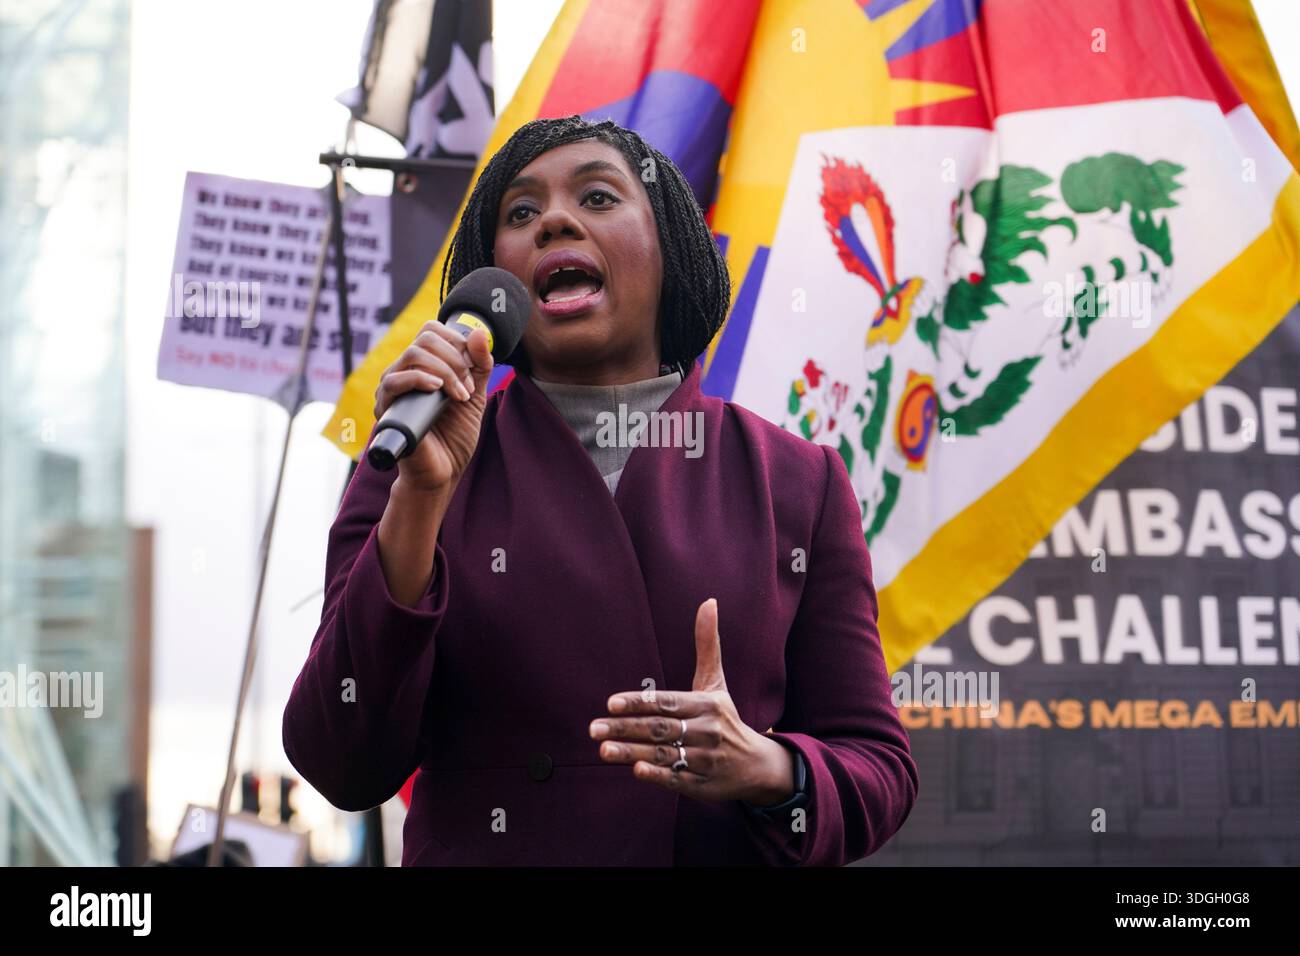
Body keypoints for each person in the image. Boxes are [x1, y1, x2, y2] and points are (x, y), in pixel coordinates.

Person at [282, 115, 918, 866]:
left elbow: (879, 766)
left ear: (667, 250)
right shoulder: (407, 460)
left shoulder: (796, 480)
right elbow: (339, 759)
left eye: (598, 197)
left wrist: (765, 767)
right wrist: (420, 501)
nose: (553, 219)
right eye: (520, 214)